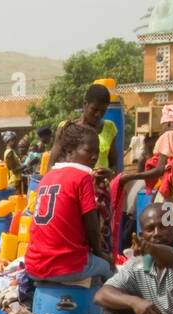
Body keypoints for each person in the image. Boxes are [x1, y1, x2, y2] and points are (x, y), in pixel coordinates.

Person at [25, 123, 113, 285]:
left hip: (33, 265)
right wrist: (100, 253)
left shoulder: (48, 177)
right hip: (65, 266)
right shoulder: (82, 177)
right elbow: (92, 226)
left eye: (97, 152)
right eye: (88, 151)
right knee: (110, 269)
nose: (94, 157)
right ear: (69, 151)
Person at [55, 84, 118, 254]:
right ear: (85, 104)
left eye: (102, 112)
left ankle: (101, 272)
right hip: (73, 193)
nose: (98, 115)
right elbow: (52, 165)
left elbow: (115, 165)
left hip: (100, 194)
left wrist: (109, 173)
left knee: (100, 239)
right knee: (77, 236)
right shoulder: (67, 129)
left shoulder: (109, 128)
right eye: (94, 110)